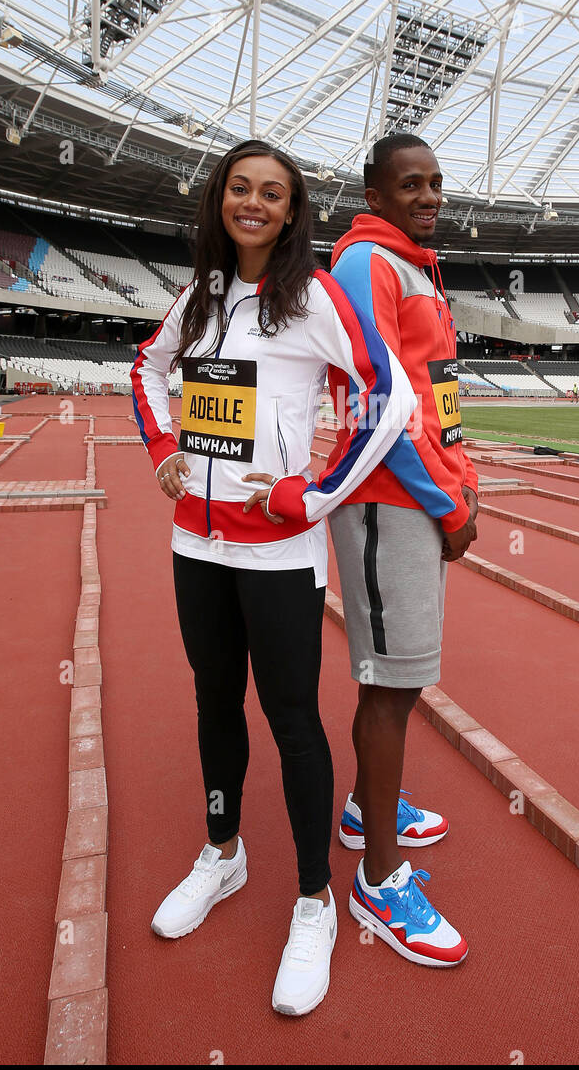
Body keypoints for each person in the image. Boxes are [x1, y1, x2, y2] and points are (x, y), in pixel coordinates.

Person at [130, 139, 415, 1016]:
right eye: (240, 189)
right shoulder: (202, 297)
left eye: (272, 194)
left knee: (291, 719)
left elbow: (390, 394)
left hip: (279, 552)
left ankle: (312, 901)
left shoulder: (312, 298)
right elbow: (145, 370)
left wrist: (316, 493)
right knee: (214, 702)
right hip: (197, 547)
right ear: (221, 199)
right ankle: (223, 853)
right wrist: (165, 448)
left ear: (293, 212)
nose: (252, 204)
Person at [324, 132, 479, 968]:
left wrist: (467, 477)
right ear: (375, 195)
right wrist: (444, 501)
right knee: (390, 681)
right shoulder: (365, 264)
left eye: (436, 183)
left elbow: (435, 390)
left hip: (420, 495)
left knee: (404, 675)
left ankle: (361, 810)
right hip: (388, 502)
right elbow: (382, 400)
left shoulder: (412, 262)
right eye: (409, 184)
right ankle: (380, 883)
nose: (428, 196)